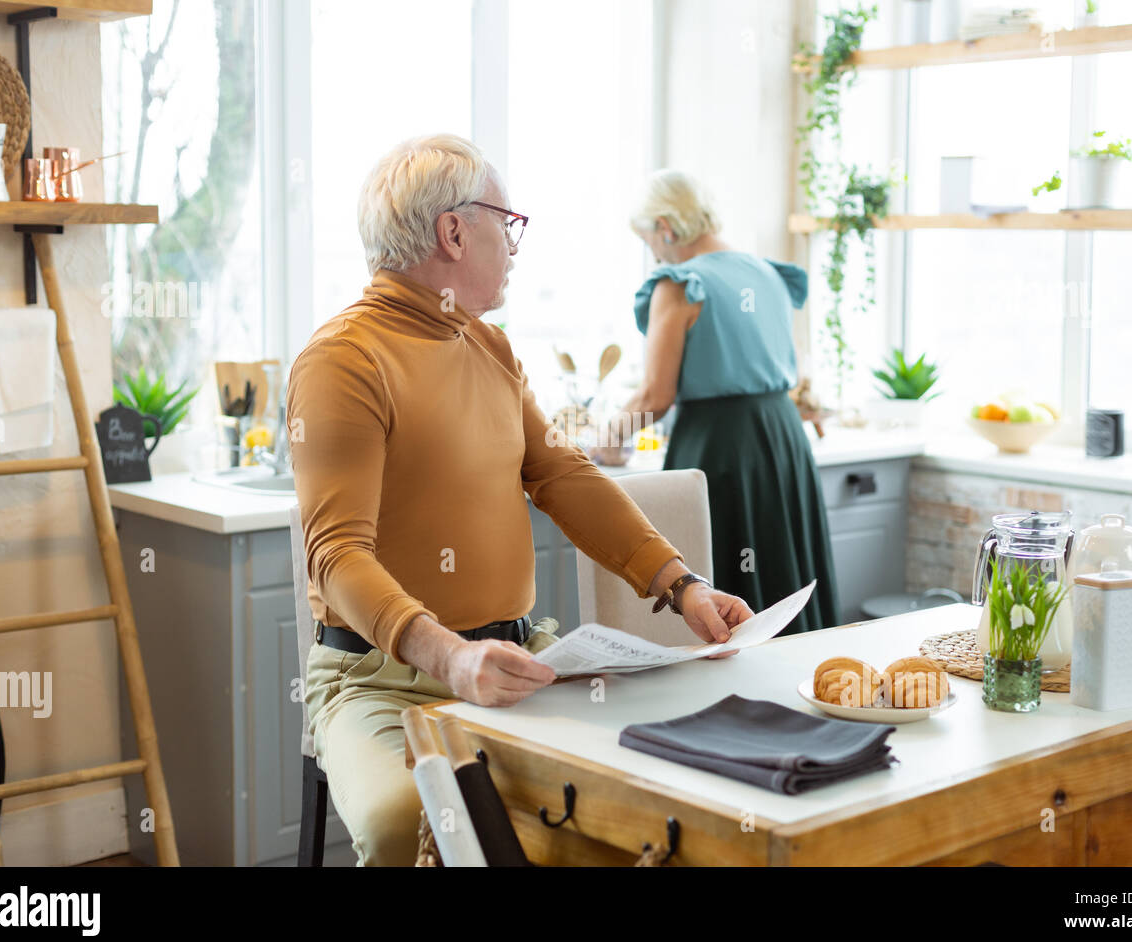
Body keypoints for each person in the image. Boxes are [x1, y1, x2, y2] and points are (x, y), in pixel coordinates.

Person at [286, 136, 753, 866]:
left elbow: (561, 475)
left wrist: (680, 583)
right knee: (401, 821)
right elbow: (336, 554)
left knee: (629, 794)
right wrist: (449, 656)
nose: (513, 243)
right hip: (381, 682)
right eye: (507, 222)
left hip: (519, 657)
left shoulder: (488, 346)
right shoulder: (344, 358)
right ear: (453, 231)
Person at [610, 169, 839, 636]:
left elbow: (655, 395)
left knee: (720, 592)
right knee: (778, 573)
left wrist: (601, 438)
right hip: (783, 438)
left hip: (721, 447)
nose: (653, 251)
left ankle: (726, 697)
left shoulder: (679, 282)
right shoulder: (767, 273)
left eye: (649, 239)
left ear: (666, 228)